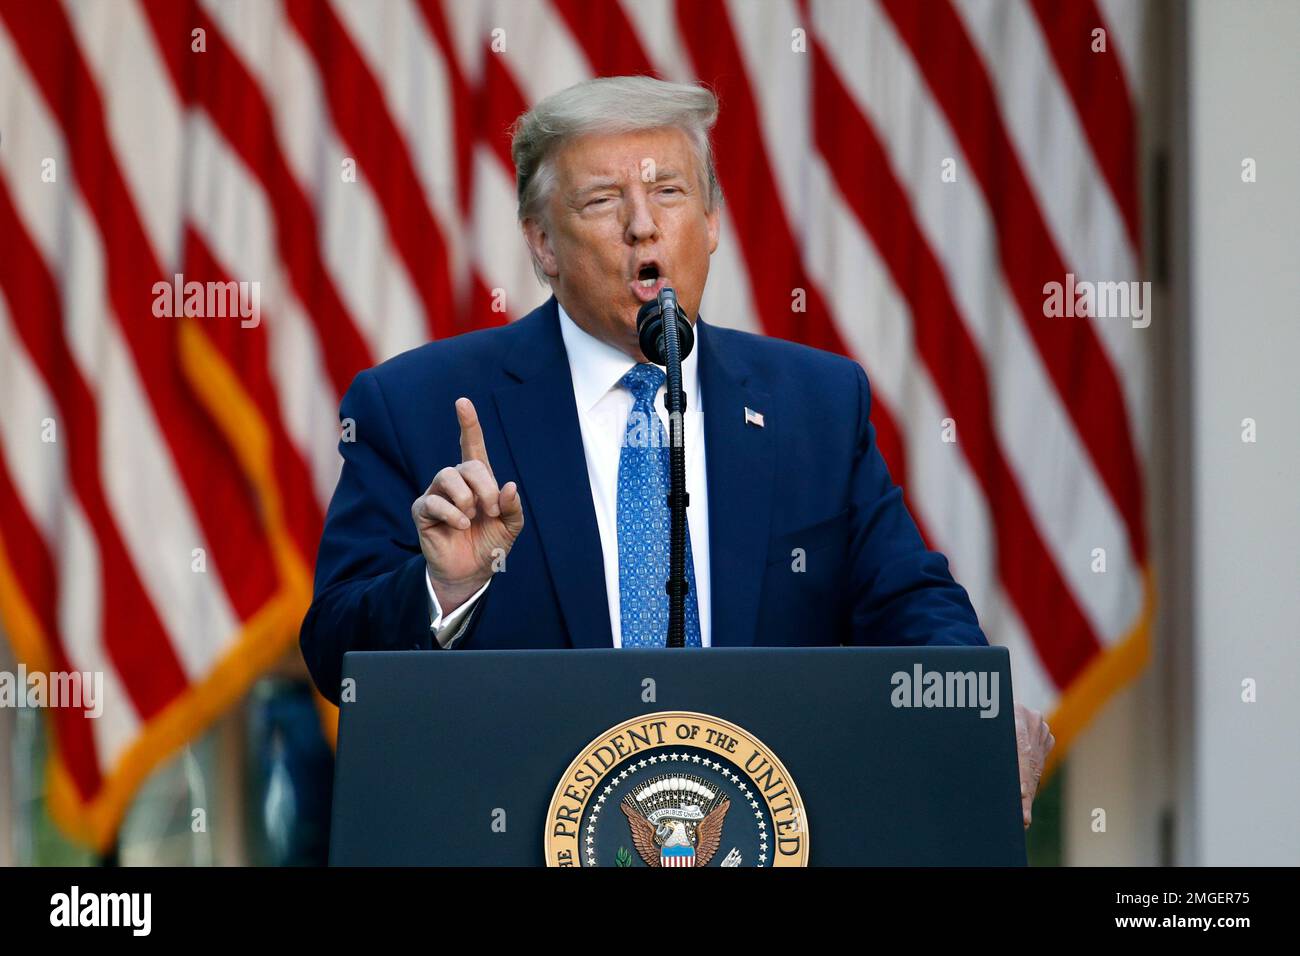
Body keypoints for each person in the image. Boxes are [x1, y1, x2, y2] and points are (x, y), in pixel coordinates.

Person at [299, 75, 1054, 825]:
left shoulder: (815, 406)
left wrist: (972, 708)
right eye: (602, 201)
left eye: (669, 194)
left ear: (713, 220)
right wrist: (445, 590)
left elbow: (907, 601)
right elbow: (337, 657)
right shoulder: (414, 405)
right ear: (542, 244)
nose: (642, 228)